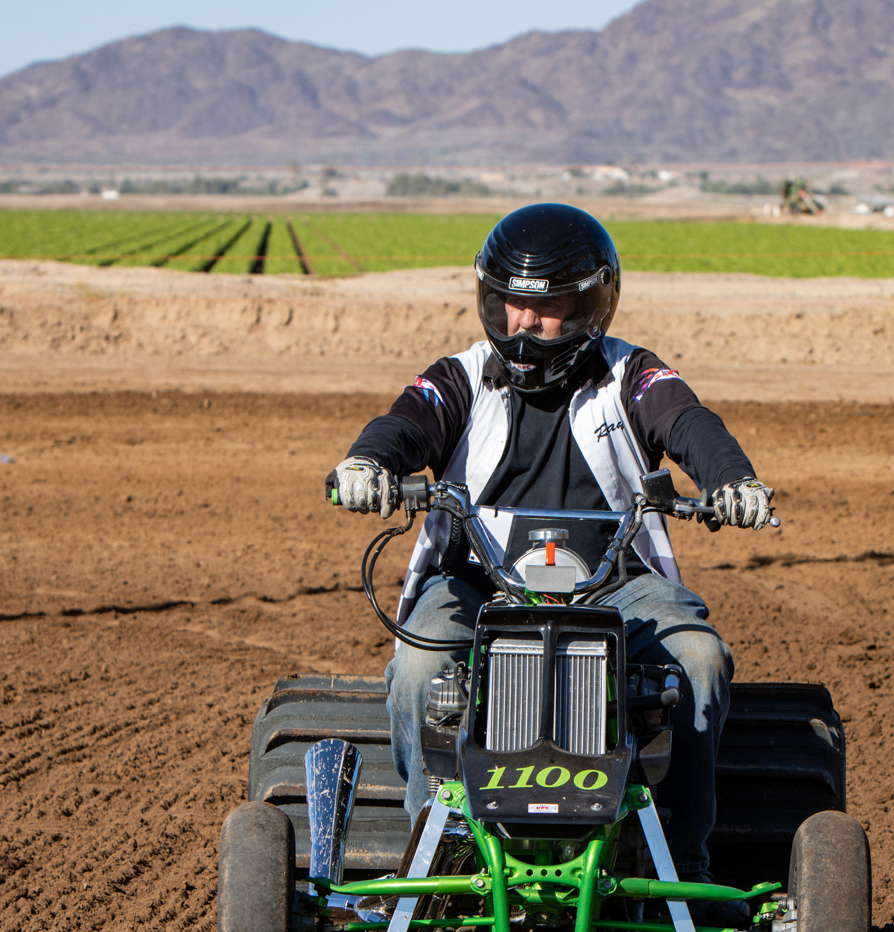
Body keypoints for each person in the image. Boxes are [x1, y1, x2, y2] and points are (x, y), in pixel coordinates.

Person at [330, 203, 773, 896]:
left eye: (548, 307)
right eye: (509, 304)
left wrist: (732, 479)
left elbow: (688, 422)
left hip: (616, 588)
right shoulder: (461, 377)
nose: (523, 323)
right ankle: (434, 848)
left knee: (700, 660)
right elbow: (406, 422)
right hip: (477, 583)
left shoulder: (631, 376)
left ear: (594, 305)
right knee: (418, 666)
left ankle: (682, 866)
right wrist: (368, 462)